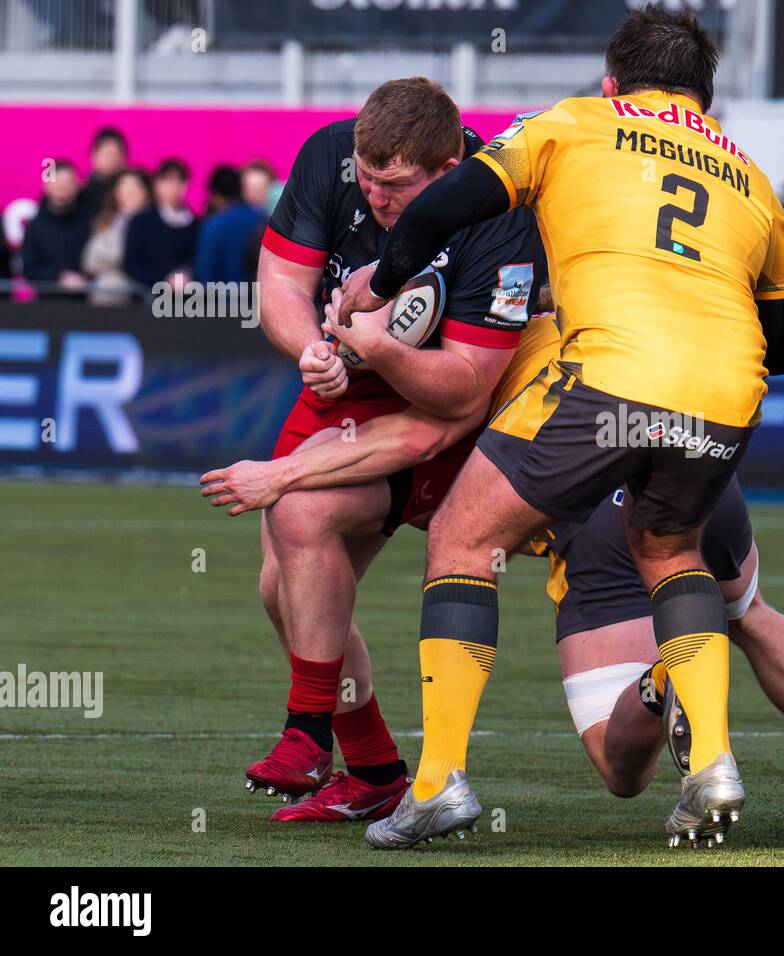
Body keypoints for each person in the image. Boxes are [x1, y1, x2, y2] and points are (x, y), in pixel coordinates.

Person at [336, 4, 784, 850]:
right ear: (706, 99)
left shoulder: (574, 123)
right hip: (729, 394)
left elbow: (450, 203)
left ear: (612, 82)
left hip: (613, 376)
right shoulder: (753, 180)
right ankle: (714, 764)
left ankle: (439, 782)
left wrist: (383, 283)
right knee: (670, 552)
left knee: (460, 540)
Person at [201, 321, 784, 836]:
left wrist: (319, 426)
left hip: (598, 502)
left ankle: (662, 681)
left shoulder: (475, 333)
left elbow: (425, 428)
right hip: (696, 454)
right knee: (748, 612)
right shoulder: (600, 296)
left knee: (620, 767)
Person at [231, 76, 546, 825]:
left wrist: (371, 344)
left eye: (395, 185)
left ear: (446, 172)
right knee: (282, 586)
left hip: (441, 408)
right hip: (349, 386)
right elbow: (279, 279)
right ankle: (372, 770)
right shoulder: (332, 155)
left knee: (302, 514)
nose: (373, 195)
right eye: (367, 178)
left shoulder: (496, 211)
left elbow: (462, 392)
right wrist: (315, 348)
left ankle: (308, 735)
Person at [124, 158, 199, 288]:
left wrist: (187, 275)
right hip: (148, 296)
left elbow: (199, 260)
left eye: (180, 181)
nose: (174, 187)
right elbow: (131, 264)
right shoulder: (141, 221)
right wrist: (164, 280)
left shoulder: (196, 225)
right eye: (168, 180)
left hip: (188, 294)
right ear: (157, 185)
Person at [81, 168, 151, 305]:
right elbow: (90, 261)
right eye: (123, 187)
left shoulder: (154, 223)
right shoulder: (105, 221)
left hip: (142, 292)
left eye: (135, 187)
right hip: (105, 293)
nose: (129, 193)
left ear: (146, 193)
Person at [20, 159, 90, 290]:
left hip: (86, 298)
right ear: (45, 186)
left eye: (67, 183)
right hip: (47, 301)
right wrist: (59, 277)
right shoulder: (35, 227)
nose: (61, 188)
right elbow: (29, 270)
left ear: (78, 186)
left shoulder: (90, 223)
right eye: (56, 182)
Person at [195, 165, 266, 284]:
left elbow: (204, 272)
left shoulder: (213, 225)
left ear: (217, 196)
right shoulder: (262, 219)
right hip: (258, 298)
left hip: (222, 299)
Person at [78, 127, 128, 228]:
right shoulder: (80, 195)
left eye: (116, 154)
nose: (111, 158)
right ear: (93, 155)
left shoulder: (129, 195)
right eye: (107, 153)